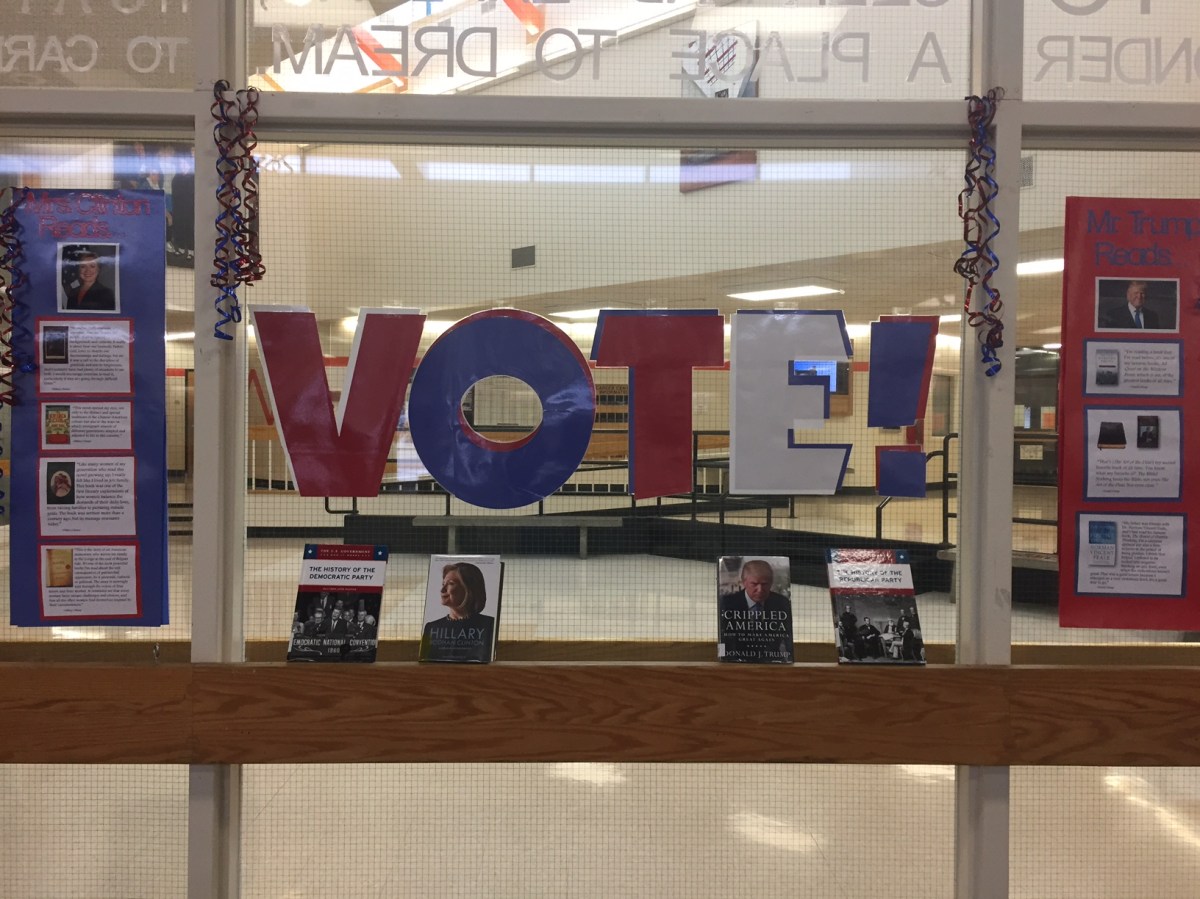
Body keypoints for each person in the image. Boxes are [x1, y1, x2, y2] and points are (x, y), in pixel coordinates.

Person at [420, 562, 495, 662]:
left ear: (469, 589)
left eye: (451, 584)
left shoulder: (489, 625)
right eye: (443, 584)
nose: (442, 590)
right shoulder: (431, 628)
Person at [719, 559, 791, 614]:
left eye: (764, 584)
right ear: (744, 582)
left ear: (771, 582)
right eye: (754, 584)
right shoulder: (727, 604)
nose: (760, 590)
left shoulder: (782, 603)